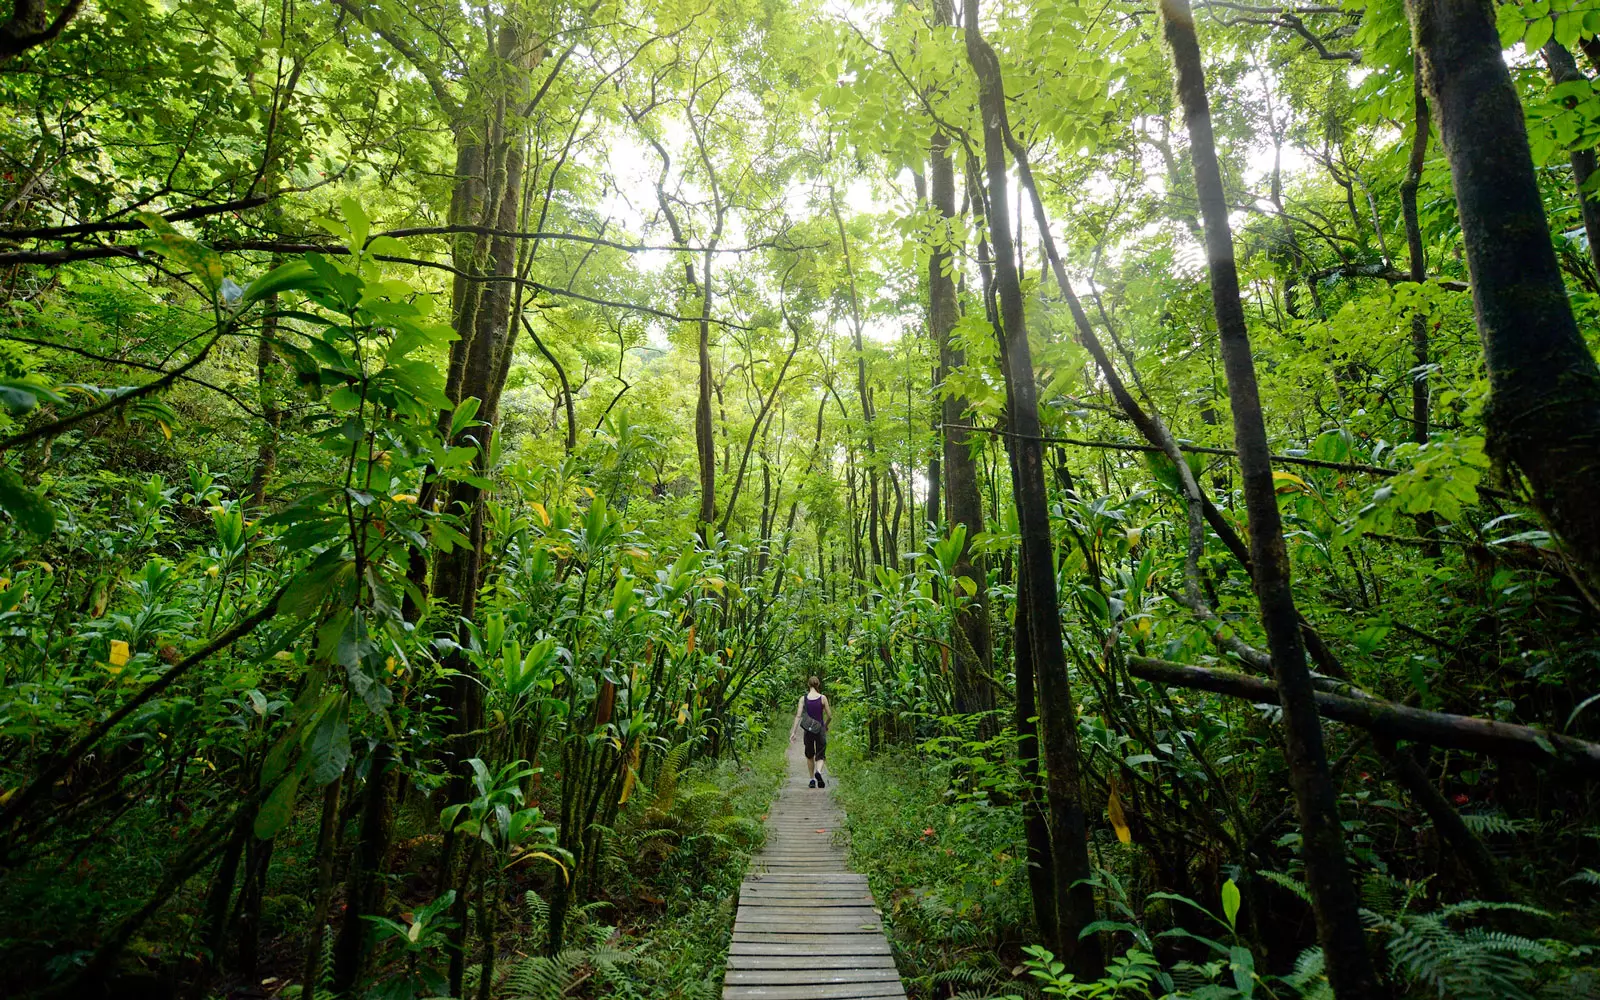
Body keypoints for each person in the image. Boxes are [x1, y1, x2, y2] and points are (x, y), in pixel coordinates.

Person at [789, 675, 833, 788]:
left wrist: (793, 732)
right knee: (820, 755)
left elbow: (798, 716)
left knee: (809, 755)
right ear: (818, 685)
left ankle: (812, 779)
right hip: (820, 730)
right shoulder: (823, 698)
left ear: (808, 685)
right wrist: (825, 726)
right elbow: (830, 716)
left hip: (808, 731)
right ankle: (818, 771)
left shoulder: (803, 699)